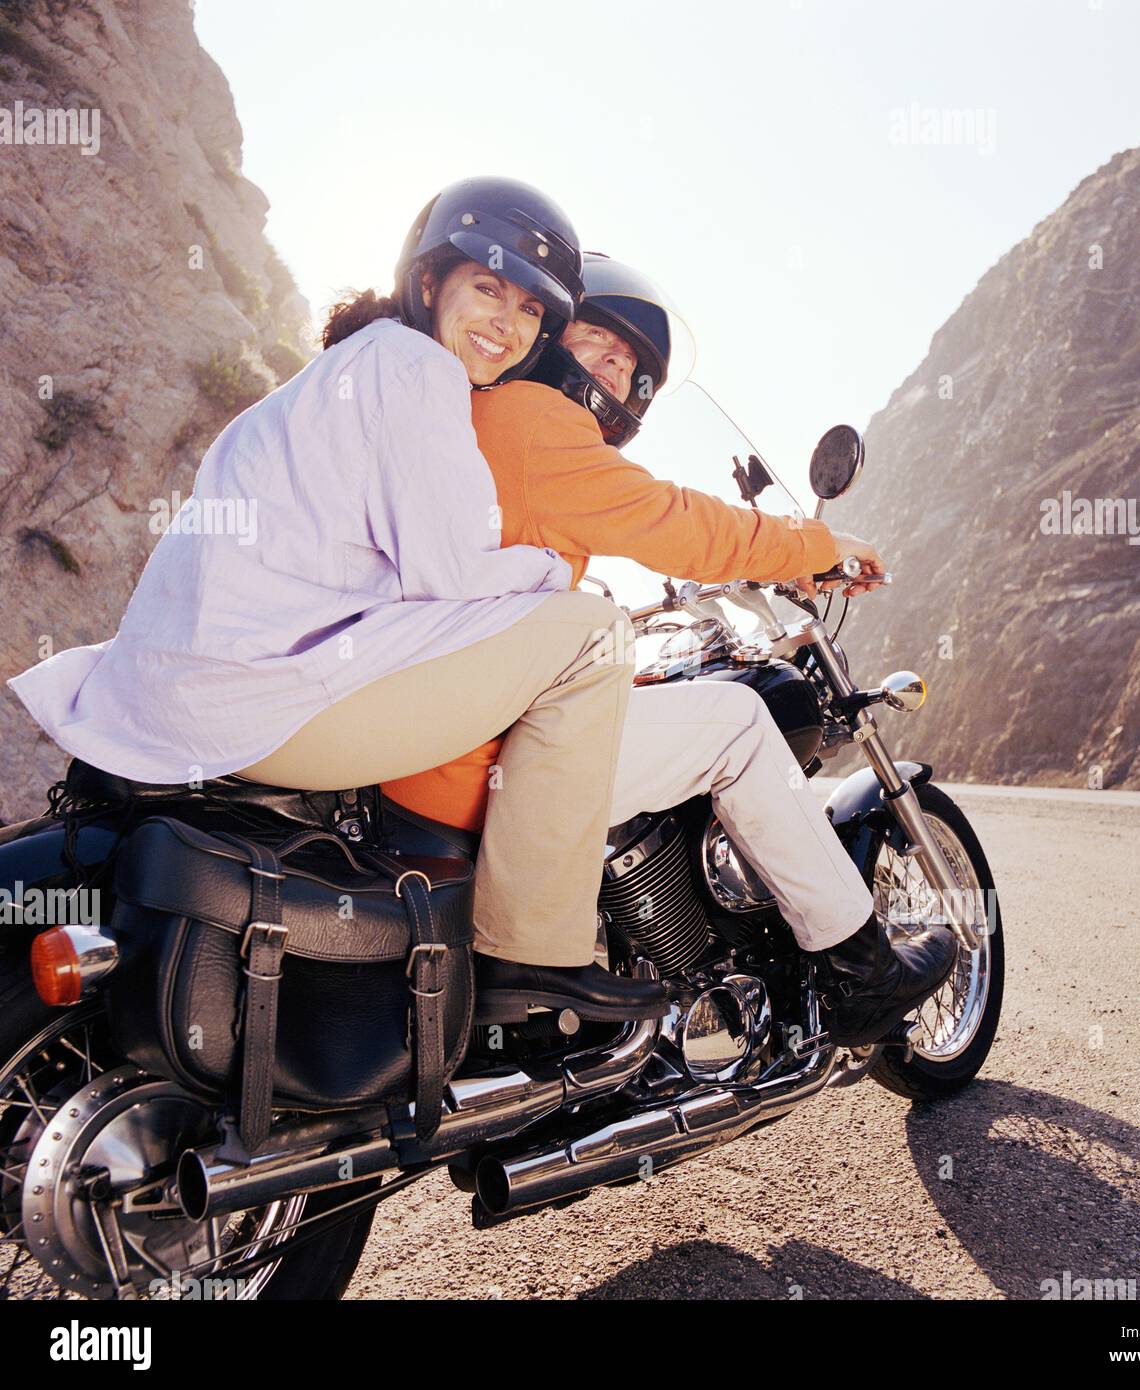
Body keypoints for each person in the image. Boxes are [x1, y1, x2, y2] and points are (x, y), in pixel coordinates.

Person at [6, 180, 667, 1023]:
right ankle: (533, 958)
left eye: (533, 311)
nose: (508, 324)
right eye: (488, 289)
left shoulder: (349, 370)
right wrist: (548, 575)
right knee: (590, 633)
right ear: (430, 283)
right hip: (252, 707)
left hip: (182, 701)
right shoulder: (413, 368)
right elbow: (453, 574)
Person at [381, 253, 958, 1046]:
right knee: (736, 723)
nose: (612, 369)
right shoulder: (527, 416)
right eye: (596, 344)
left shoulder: (482, 415)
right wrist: (816, 547)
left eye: (629, 365)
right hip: (477, 762)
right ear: (551, 338)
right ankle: (863, 976)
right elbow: (677, 524)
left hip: (436, 738)